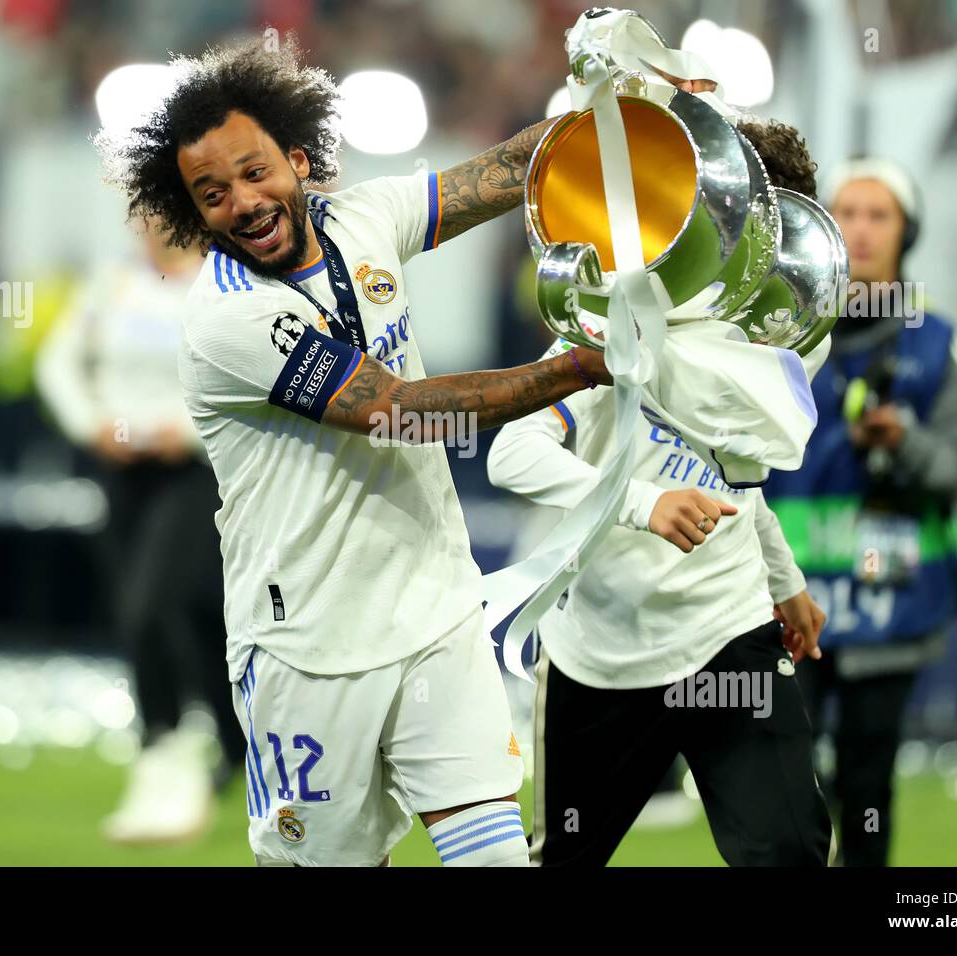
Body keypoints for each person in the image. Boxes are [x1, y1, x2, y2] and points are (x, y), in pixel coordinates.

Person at [93, 33, 679, 867]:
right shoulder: (228, 320)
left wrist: (614, 110)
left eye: (256, 171)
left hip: (437, 614)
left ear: (299, 159)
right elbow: (404, 412)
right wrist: (579, 368)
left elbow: (512, 171)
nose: (243, 202)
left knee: (496, 859)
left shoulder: (363, 219)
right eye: (211, 193)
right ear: (192, 211)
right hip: (309, 647)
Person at [487, 121, 834, 867]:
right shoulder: (608, 323)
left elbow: (742, 480)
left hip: (730, 633)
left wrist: (787, 582)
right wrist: (646, 503)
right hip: (604, 656)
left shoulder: (761, 348)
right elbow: (510, 451)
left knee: (789, 853)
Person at [762, 157, 957, 866]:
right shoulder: (776, 336)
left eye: (878, 214)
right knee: (779, 786)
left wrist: (908, 442)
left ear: (907, 232)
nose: (859, 230)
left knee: (867, 787)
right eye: (847, 213)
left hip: (894, 603)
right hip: (792, 604)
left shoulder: (940, 346)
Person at [35, 220, 244, 844]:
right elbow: (58, 363)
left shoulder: (220, 287)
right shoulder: (111, 286)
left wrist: (180, 430)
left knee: (151, 606)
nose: (148, 228)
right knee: (187, 617)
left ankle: (167, 750)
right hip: (120, 476)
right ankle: (229, 750)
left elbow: (239, 374)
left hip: (192, 472)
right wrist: (90, 423)